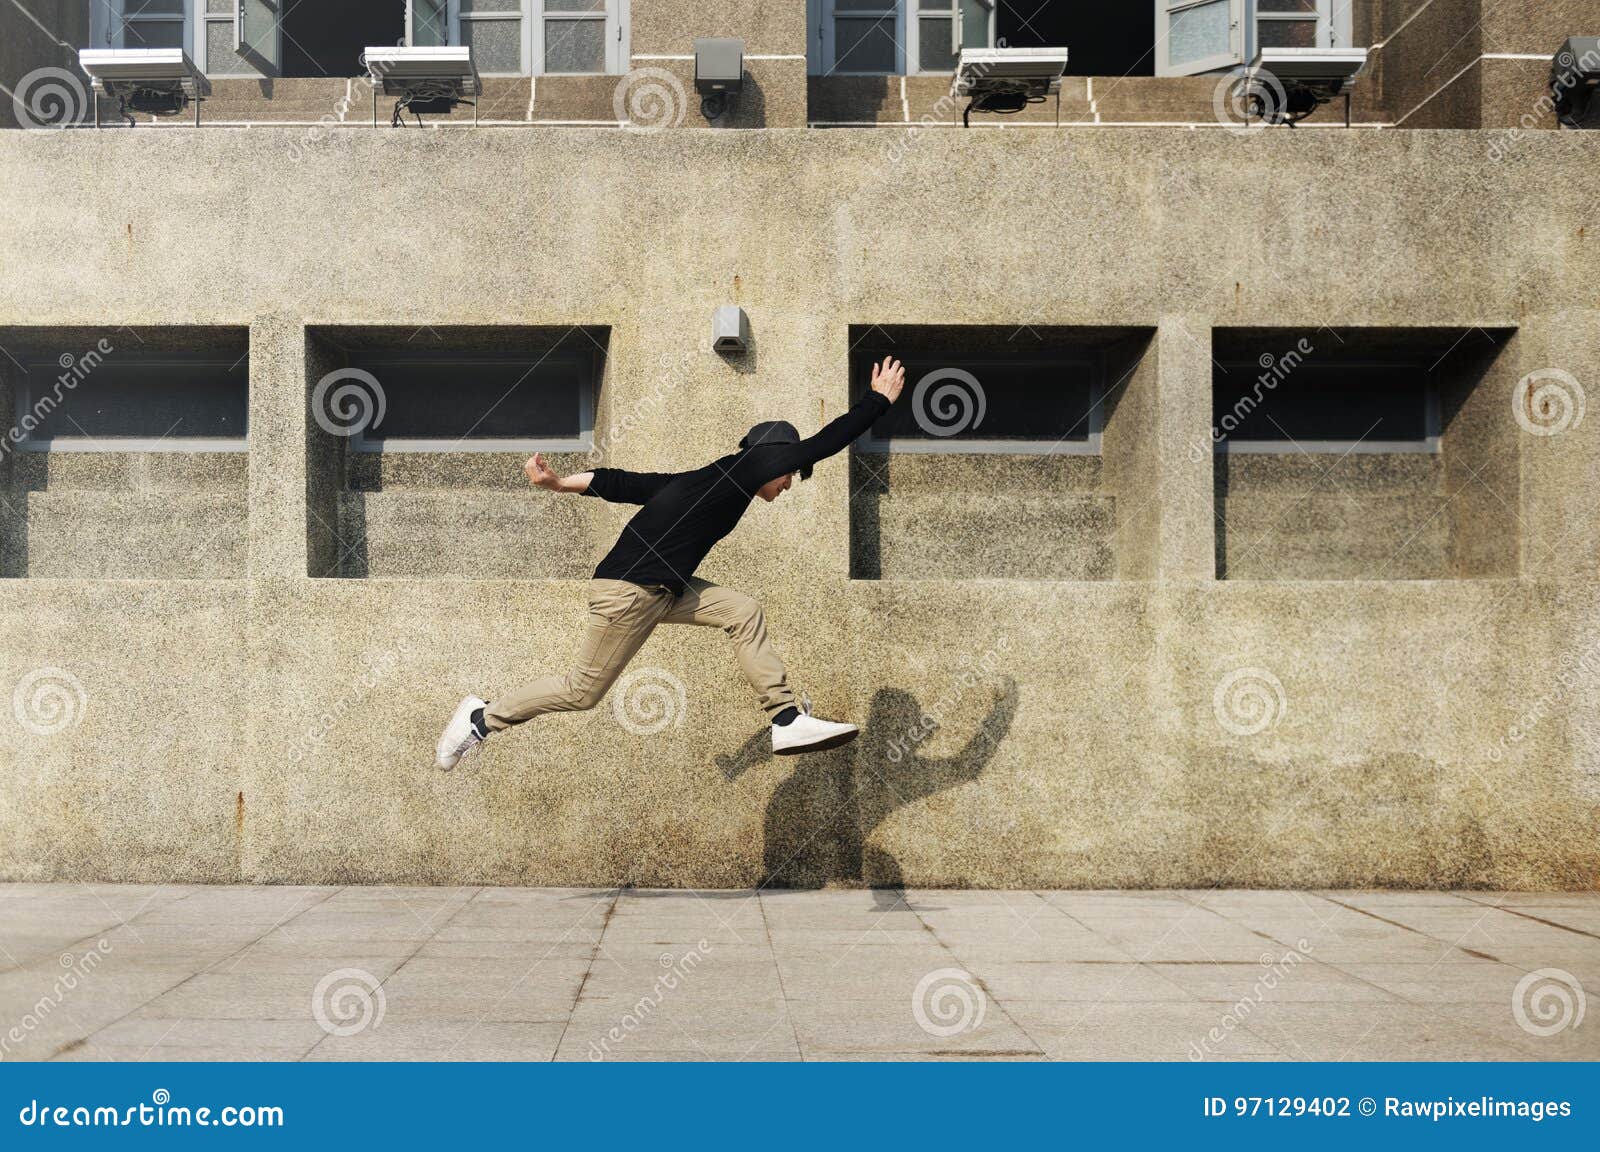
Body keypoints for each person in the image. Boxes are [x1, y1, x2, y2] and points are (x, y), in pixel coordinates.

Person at [433, 355, 907, 770]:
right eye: (789, 474)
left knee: (742, 610)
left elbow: (624, 483)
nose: (787, 484)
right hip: (629, 591)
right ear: (773, 459)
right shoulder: (747, 466)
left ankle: (785, 719)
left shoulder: (704, 480)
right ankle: (481, 719)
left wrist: (559, 485)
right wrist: (877, 403)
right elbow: (823, 442)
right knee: (582, 692)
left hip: (664, 591)